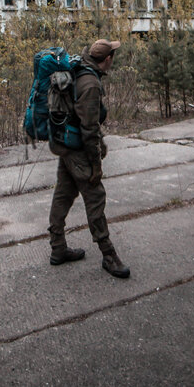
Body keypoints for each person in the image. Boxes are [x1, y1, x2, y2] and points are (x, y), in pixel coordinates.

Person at [46, 39, 130, 279]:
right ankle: (109, 255)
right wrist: (96, 165)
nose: (113, 59)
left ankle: (58, 248)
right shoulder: (90, 83)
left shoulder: (79, 68)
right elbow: (89, 128)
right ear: (107, 59)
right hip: (78, 148)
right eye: (113, 55)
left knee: (63, 193)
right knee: (95, 196)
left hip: (65, 143)